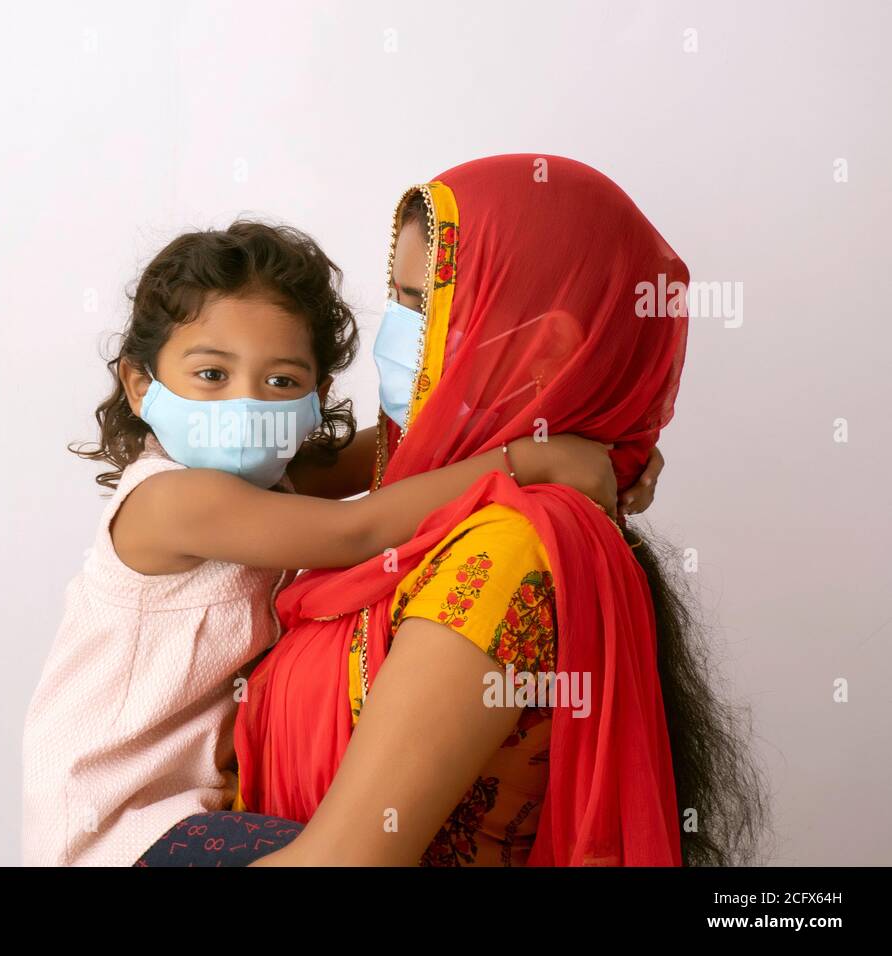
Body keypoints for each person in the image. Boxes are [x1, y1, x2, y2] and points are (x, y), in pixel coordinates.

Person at [216, 154, 765, 867]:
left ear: (546, 349)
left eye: (425, 304)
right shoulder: (450, 498)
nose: (395, 328)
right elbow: (267, 464)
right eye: (399, 297)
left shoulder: (502, 553)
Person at [22, 219, 626, 866]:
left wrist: (562, 419)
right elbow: (356, 529)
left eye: (281, 382)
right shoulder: (172, 500)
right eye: (211, 374)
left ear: (318, 399)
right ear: (143, 386)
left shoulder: (269, 477)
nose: (246, 404)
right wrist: (528, 462)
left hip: (192, 808)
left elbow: (405, 459)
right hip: (122, 826)